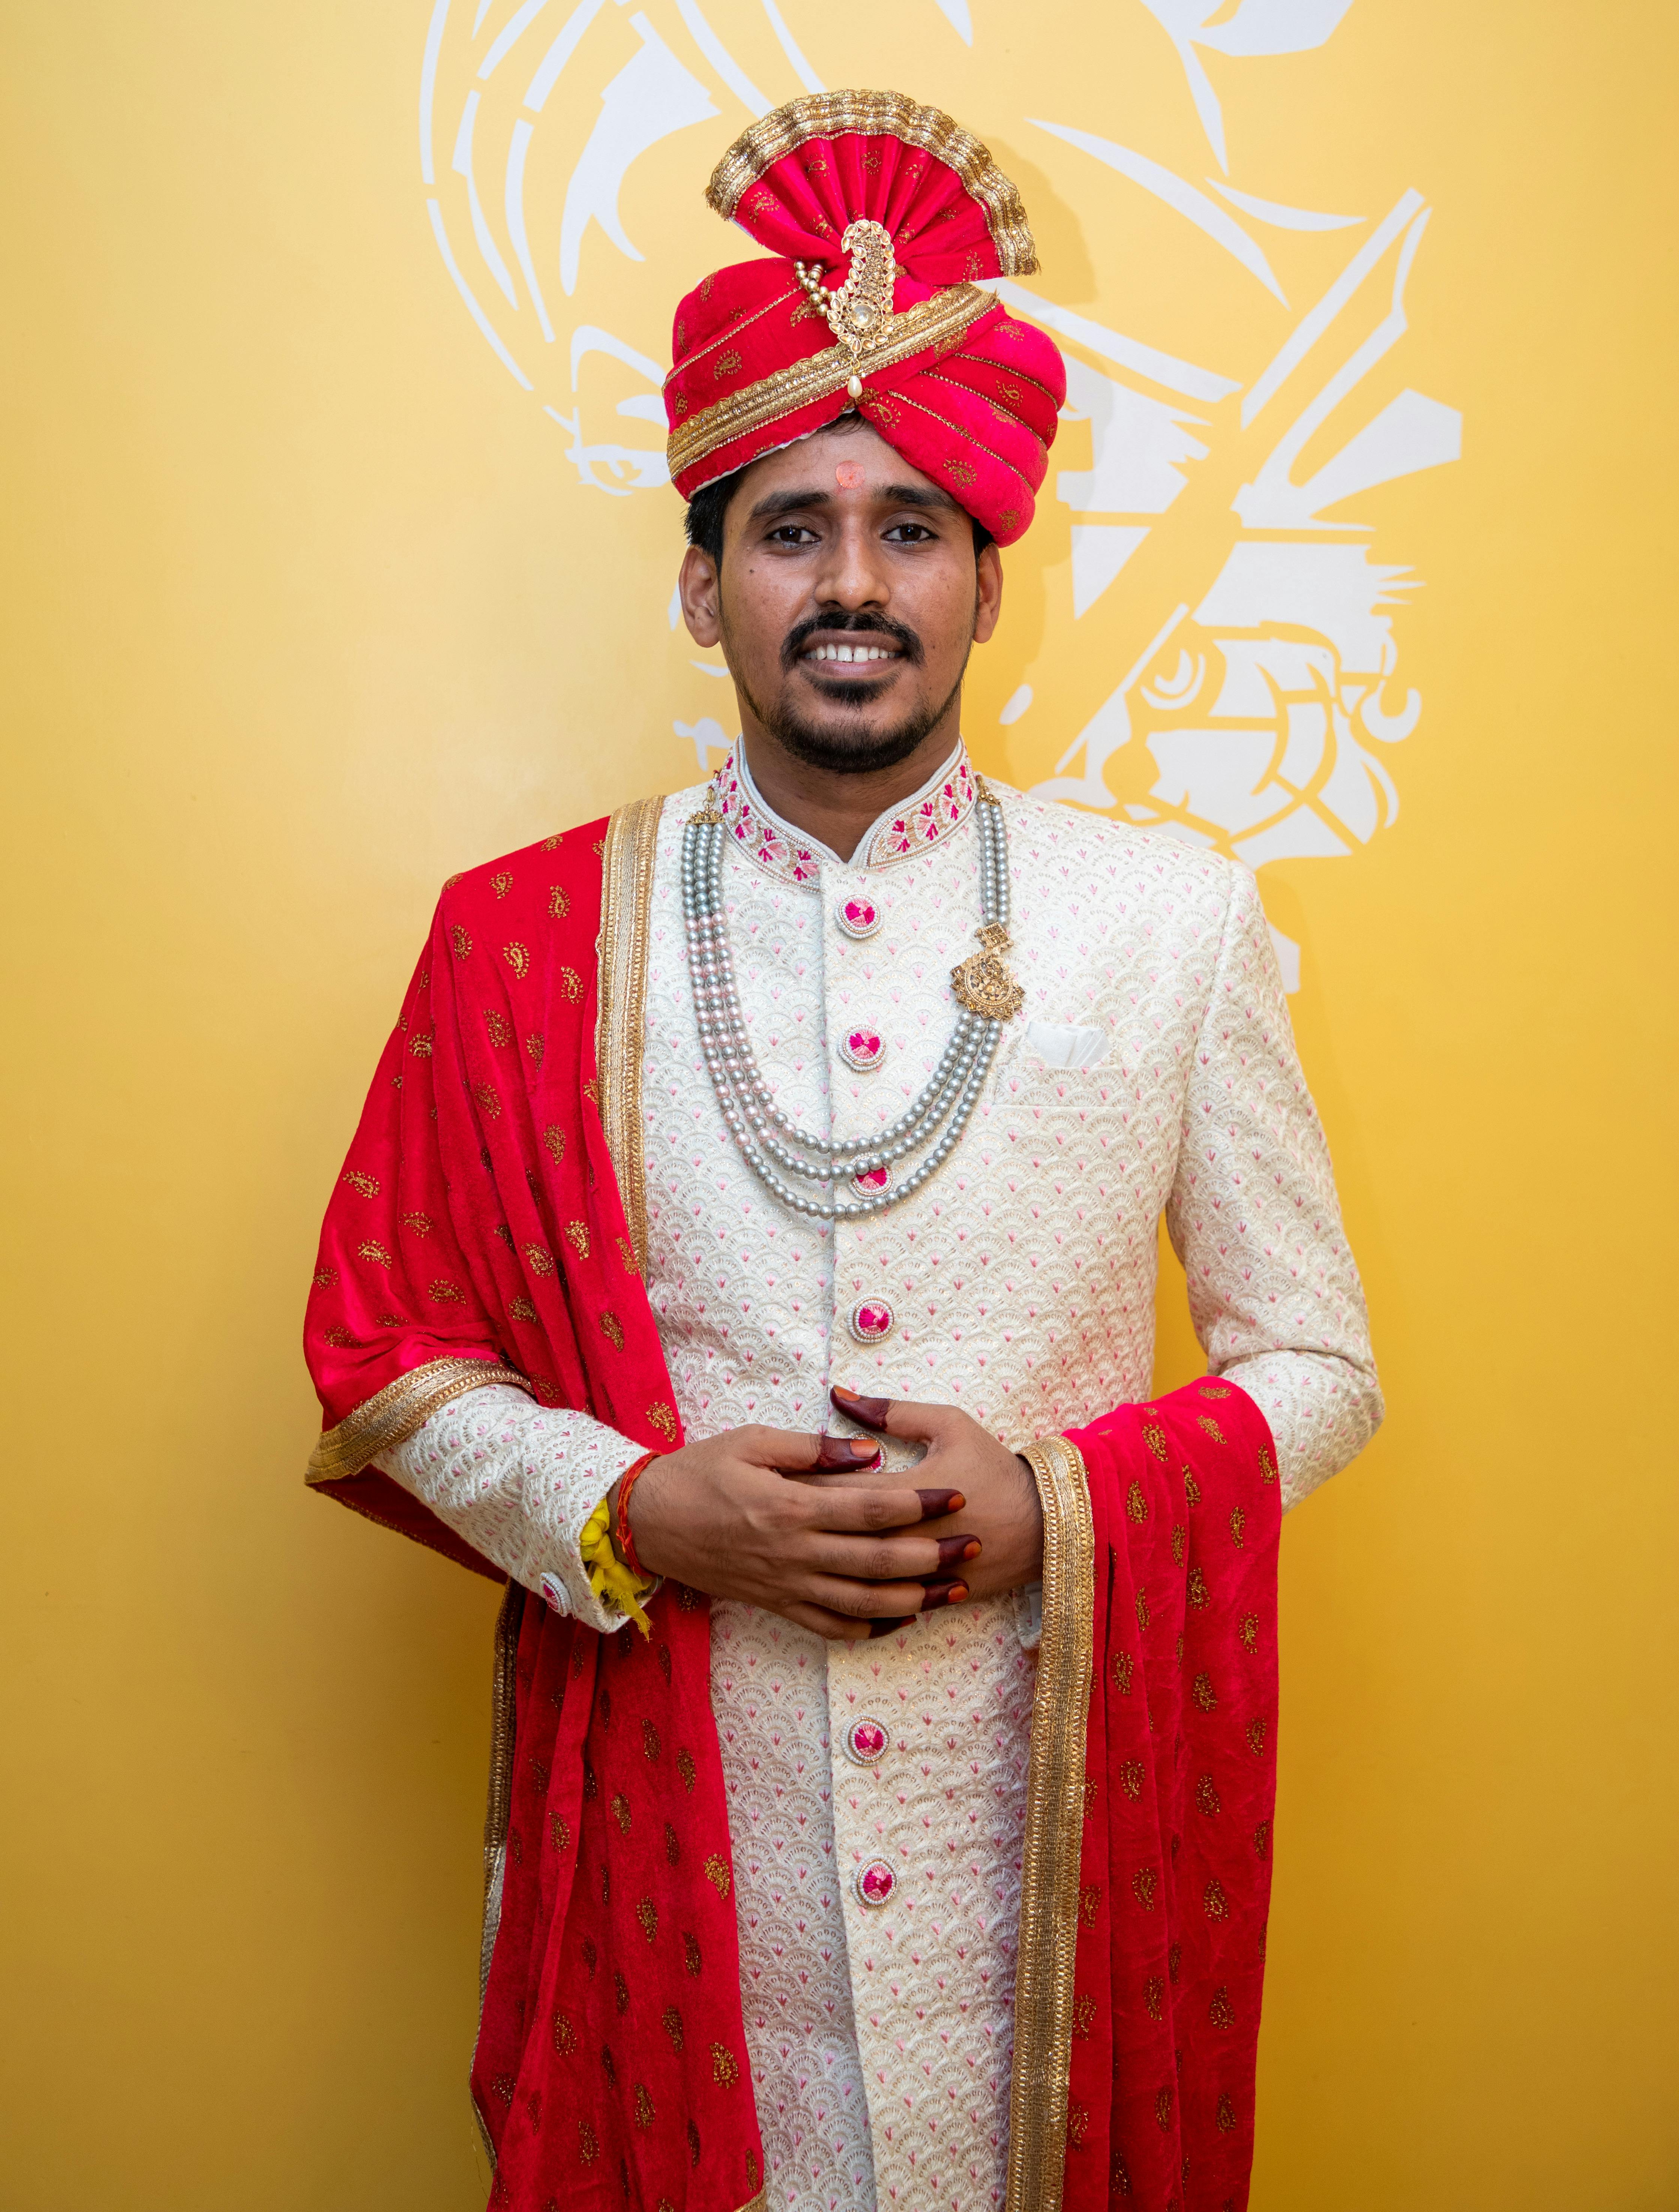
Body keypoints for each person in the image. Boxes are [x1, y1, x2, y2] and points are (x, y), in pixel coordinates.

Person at [303, 90, 1381, 2212]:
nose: (855, 584)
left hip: (1040, 1902)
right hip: (680, 1912)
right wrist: (635, 1512)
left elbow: (1321, 1368)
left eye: (912, 528)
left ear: (991, 580)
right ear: (701, 589)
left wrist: (1064, 1502)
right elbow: (384, 1358)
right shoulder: (522, 935)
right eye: (792, 529)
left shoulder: (1172, 922)